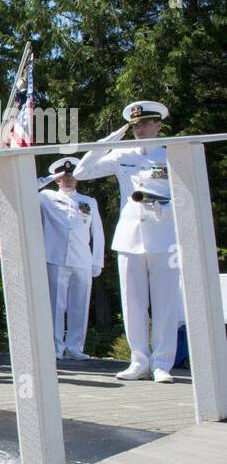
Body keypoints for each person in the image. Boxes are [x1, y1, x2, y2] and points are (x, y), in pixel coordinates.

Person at [72, 100, 179, 382]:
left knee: (165, 302)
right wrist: (108, 140)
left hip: (165, 235)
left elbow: (186, 194)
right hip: (130, 236)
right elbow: (82, 172)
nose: (140, 129)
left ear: (159, 124)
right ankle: (138, 360)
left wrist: (167, 208)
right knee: (133, 303)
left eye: (145, 123)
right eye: (135, 125)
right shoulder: (122, 153)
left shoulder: (172, 155)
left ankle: (162, 364)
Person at [39, 158, 104, 359]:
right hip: (55, 257)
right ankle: (55, 347)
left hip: (82, 259)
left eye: (72, 175)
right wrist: (48, 179)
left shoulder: (88, 202)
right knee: (56, 306)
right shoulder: (45, 197)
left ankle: (75, 347)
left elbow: (98, 233)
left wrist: (96, 261)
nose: (68, 179)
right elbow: (24, 190)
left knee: (80, 305)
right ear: (57, 179)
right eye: (64, 176)